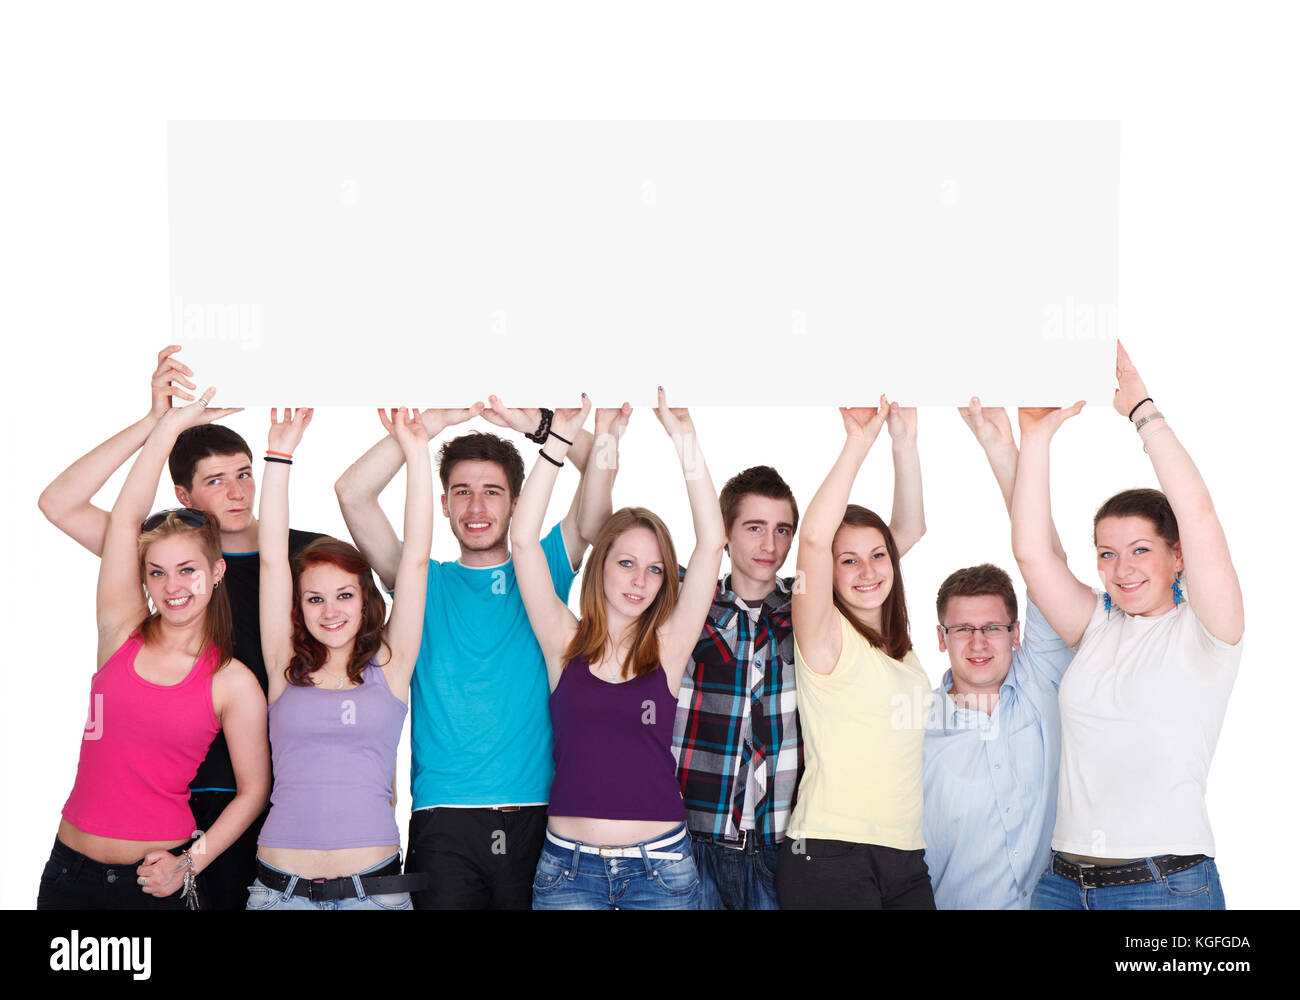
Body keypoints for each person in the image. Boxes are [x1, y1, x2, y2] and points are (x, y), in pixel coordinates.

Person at [38, 345, 321, 909]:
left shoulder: (298, 558)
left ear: (213, 574)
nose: (238, 491)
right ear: (184, 498)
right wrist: (156, 425)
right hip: (145, 814)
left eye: (244, 475)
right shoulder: (158, 564)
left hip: (241, 800)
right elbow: (67, 504)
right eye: (217, 481)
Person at [335, 399, 609, 909]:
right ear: (443, 503)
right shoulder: (422, 581)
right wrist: (419, 434)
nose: (477, 508)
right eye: (462, 493)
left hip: (541, 811)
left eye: (492, 493)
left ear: (517, 501)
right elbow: (352, 494)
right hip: (444, 819)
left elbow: (599, 481)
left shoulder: (544, 566)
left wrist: (545, 428)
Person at [1012, 344, 1244, 910]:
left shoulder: (1209, 633)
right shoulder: (1096, 627)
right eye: (1107, 554)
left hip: (1165, 887)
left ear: (1178, 556)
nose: (1123, 568)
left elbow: (1199, 512)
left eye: (1141, 549)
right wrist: (1037, 439)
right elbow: (1032, 557)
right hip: (1063, 884)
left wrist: (1141, 408)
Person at [513, 391, 727, 909]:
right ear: (601, 564)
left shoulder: (669, 648)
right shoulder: (563, 642)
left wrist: (685, 439)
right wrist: (558, 438)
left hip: (662, 873)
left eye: (654, 569)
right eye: (626, 563)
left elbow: (711, 543)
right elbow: (522, 540)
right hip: (568, 872)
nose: (640, 580)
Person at [247, 407, 432, 909]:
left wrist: (418, 454)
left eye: (344, 595)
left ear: (365, 599)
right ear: (298, 607)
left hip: (371, 892)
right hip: (279, 892)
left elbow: (415, 560)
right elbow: (270, 557)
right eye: (315, 599)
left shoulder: (390, 666)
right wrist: (279, 455)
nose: (330, 611)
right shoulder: (283, 662)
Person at [777, 398, 933, 909]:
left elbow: (908, 528)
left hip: (905, 856)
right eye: (849, 561)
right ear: (831, 572)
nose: (867, 571)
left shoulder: (898, 650)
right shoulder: (823, 634)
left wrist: (904, 440)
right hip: (830, 854)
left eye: (877, 556)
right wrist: (858, 443)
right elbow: (815, 540)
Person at [921, 400, 1075, 907]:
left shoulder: (1041, 683)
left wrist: (1003, 450)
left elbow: (1046, 563)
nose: (979, 641)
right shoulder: (914, 731)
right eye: (963, 629)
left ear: (1016, 632)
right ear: (941, 638)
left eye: (992, 627)